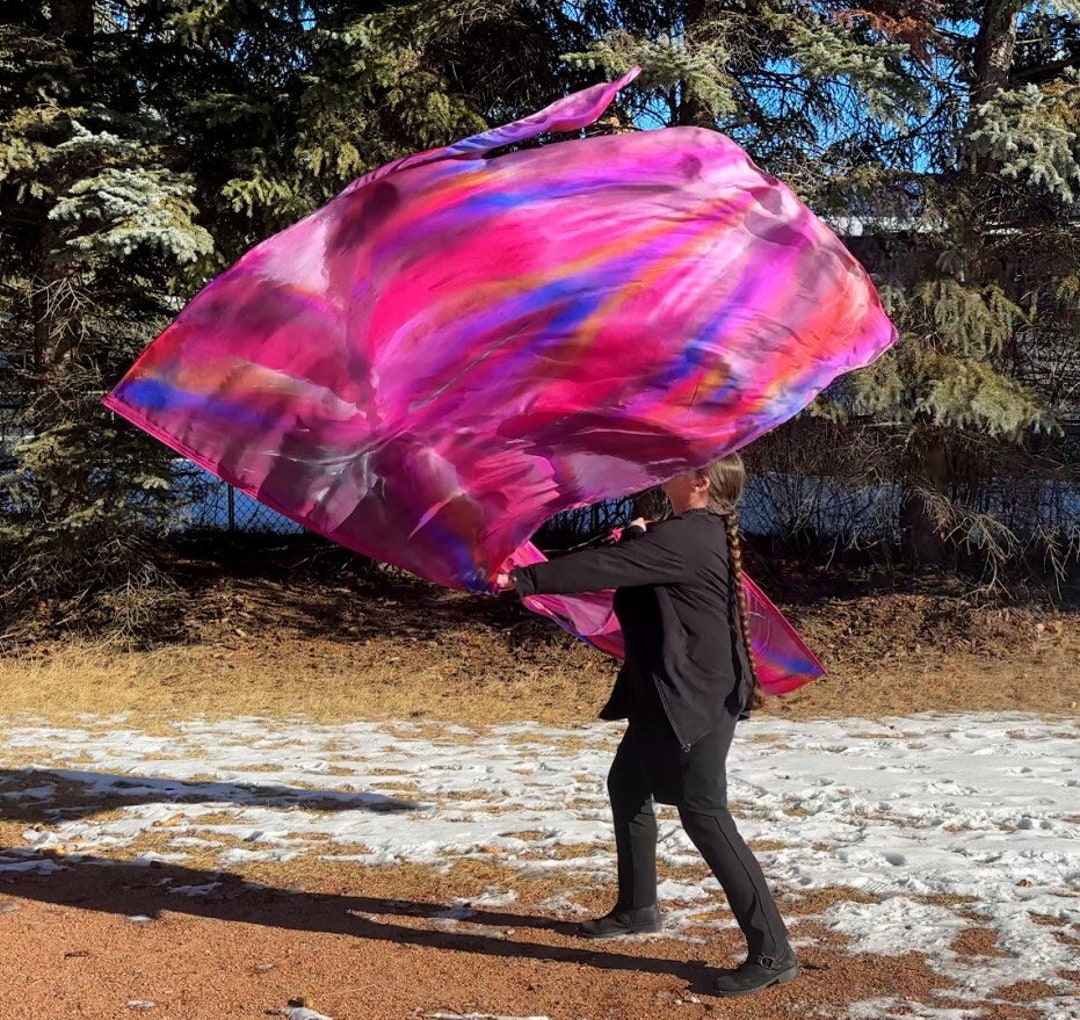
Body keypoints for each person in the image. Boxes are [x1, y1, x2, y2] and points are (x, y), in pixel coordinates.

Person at [497, 454, 798, 998]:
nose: (671, 470)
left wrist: (524, 578)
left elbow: (606, 568)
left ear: (700, 482)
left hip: (696, 701)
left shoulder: (688, 536)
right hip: (668, 695)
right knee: (628, 785)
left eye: (686, 466)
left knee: (704, 813)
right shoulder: (688, 532)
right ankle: (638, 909)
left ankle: (773, 950)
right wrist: (637, 536)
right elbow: (638, 565)